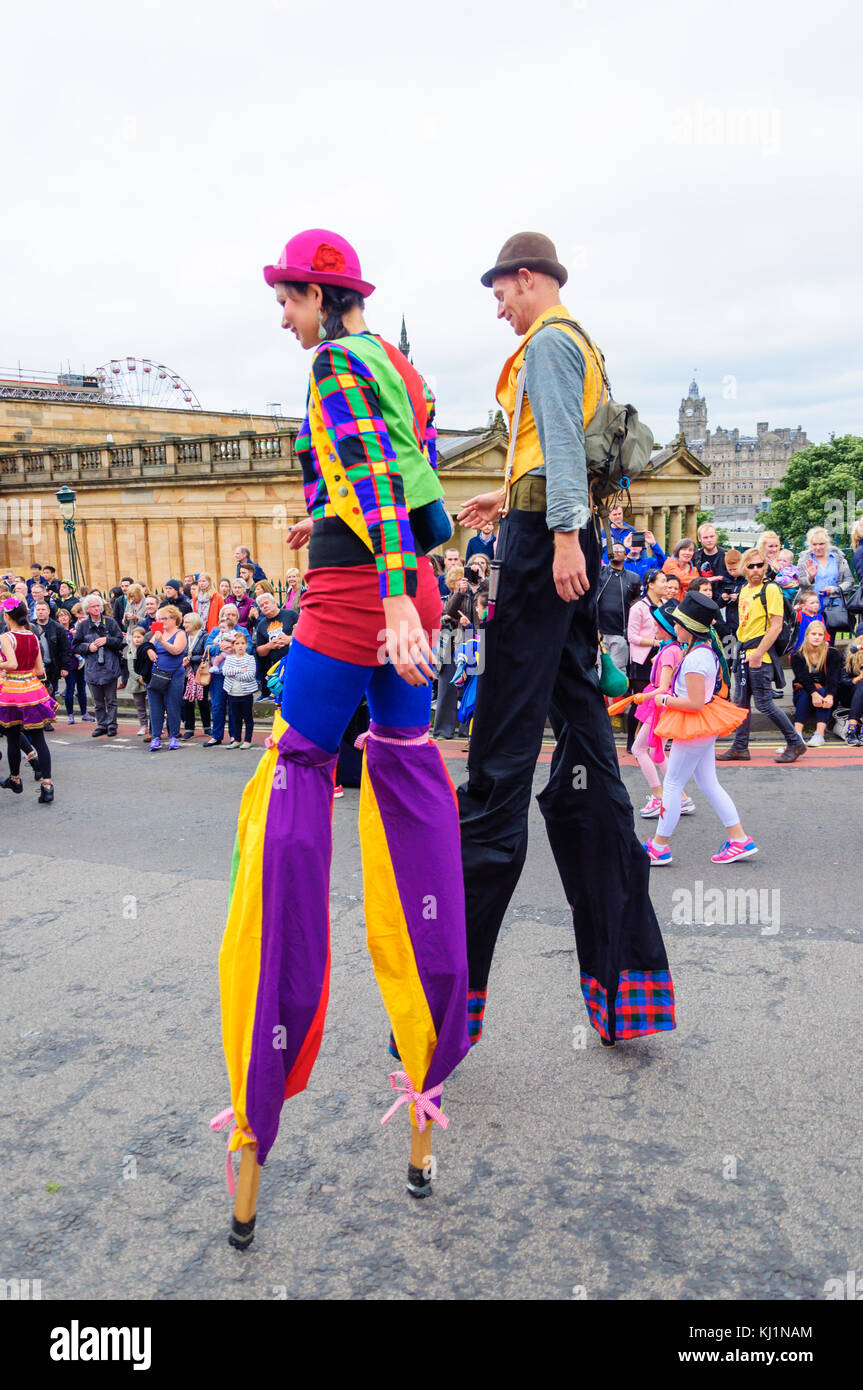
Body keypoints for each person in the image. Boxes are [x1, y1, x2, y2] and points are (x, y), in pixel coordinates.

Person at [213, 227, 470, 1244]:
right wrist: (330, 524)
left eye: (285, 299)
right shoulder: (401, 366)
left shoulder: (329, 364)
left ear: (320, 296)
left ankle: (253, 1113)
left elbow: (374, 485)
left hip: (362, 597)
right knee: (410, 799)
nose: (283, 317)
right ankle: (421, 1091)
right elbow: (402, 478)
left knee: (288, 801)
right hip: (403, 590)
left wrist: (391, 591)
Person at [455, 230, 675, 1050]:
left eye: (501, 293)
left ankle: (449, 1006)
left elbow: (560, 452)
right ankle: (626, 991)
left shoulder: (548, 344)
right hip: (550, 532)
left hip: (544, 547)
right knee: (586, 752)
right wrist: (503, 496)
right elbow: (569, 453)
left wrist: (551, 538)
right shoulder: (584, 346)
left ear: (527, 278)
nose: (499, 308)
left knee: (499, 761)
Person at [643, 592, 754, 865]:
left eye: (678, 623)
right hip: (704, 722)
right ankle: (739, 839)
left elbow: (693, 703)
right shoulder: (699, 652)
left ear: (689, 627)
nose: (675, 627)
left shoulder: (694, 659)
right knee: (707, 782)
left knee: (672, 784)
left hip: (694, 722)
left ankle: (659, 846)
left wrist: (664, 699)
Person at [718, 548, 808, 763]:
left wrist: (758, 654)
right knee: (741, 704)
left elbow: (776, 626)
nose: (756, 569)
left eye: (760, 565)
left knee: (764, 703)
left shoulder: (771, 590)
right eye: (751, 566)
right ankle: (740, 747)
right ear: (743, 568)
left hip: (760, 655)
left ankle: (795, 743)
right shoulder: (745, 591)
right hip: (744, 652)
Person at [0, 597, 57, 803]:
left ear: (7, 616)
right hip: (33, 689)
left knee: (13, 737)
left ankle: (15, 780)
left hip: (12, 691)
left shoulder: (7, 637)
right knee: (39, 739)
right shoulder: (32, 636)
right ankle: (47, 785)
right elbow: (40, 670)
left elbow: (12, 663)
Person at [626, 568, 668, 753]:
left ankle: (652, 739)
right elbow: (632, 637)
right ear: (650, 584)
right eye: (662, 581)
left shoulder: (667, 604)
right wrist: (656, 642)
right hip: (642, 659)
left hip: (661, 657)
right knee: (639, 700)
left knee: (657, 700)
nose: (666, 585)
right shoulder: (638, 607)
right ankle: (630, 741)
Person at [73, 593, 125, 737]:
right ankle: (101, 725)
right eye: (93, 607)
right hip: (92, 668)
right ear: (87, 609)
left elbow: (120, 641)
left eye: (99, 606)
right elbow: (76, 646)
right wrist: (88, 647)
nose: (97, 609)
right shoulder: (83, 625)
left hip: (110, 667)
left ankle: (112, 725)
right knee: (98, 701)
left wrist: (107, 641)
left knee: (111, 700)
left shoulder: (110, 622)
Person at [202, 606, 253, 747]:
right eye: (227, 614)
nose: (230, 616)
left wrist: (233, 647)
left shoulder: (241, 631)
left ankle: (234, 736)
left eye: (233, 614)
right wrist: (220, 648)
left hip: (235, 673)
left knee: (233, 706)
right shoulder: (216, 630)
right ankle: (216, 735)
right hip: (218, 673)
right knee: (218, 705)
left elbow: (249, 648)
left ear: (237, 617)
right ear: (222, 616)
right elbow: (207, 647)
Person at [790, 620, 842, 747]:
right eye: (814, 634)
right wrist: (814, 693)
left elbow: (833, 678)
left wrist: (830, 695)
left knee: (823, 691)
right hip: (804, 693)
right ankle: (797, 734)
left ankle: (819, 734)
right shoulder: (797, 655)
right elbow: (803, 679)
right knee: (805, 693)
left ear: (824, 637)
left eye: (820, 634)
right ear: (807, 635)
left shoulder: (832, 654)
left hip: (826, 696)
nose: (817, 637)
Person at [145, 603, 188, 751]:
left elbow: (176, 650)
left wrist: (162, 640)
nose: (161, 621)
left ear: (174, 619)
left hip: (174, 675)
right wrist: (149, 651)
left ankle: (173, 737)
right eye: (159, 618)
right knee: (155, 707)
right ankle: (155, 737)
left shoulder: (180, 633)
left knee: (172, 706)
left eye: (164, 618)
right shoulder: (157, 631)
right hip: (156, 675)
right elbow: (147, 646)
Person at [795, 526, 854, 632]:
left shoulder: (838, 559)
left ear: (827, 543)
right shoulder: (805, 559)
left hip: (834, 608)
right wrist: (811, 577)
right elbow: (800, 583)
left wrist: (833, 589)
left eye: (821, 544)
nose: (818, 547)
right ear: (810, 545)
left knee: (829, 643)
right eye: (814, 544)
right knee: (811, 641)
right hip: (811, 609)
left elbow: (849, 582)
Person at [597, 542, 640, 673]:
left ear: (626, 556)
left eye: (620, 549)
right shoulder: (599, 573)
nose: (616, 551)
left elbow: (636, 603)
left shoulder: (634, 578)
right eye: (613, 549)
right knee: (599, 670)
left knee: (618, 672)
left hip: (620, 633)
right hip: (599, 633)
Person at [218, 629, 258, 748]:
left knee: (247, 717)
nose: (240, 646)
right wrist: (240, 670)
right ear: (233, 646)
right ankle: (236, 739)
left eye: (242, 643)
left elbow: (250, 675)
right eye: (237, 643)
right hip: (232, 693)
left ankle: (247, 740)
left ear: (246, 645)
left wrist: (234, 675)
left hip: (246, 694)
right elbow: (225, 671)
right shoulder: (229, 658)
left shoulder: (250, 659)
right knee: (235, 717)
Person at [253, 591, 296, 690]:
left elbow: (306, 634)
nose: (264, 606)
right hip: (276, 668)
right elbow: (259, 651)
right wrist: (269, 646)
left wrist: (289, 639)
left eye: (266, 603)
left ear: (274, 603)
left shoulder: (291, 615)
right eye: (261, 605)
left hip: (294, 662)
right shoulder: (261, 625)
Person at [32, 599, 73, 697]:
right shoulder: (30, 627)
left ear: (49, 611)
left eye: (43, 609)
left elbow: (65, 649)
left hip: (52, 668)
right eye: (38, 610)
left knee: (51, 696)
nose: (40, 612)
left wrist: (65, 667)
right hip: (34, 668)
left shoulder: (58, 628)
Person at [180, 612, 212, 740]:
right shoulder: (183, 636)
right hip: (185, 673)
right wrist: (183, 659)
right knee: (187, 700)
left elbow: (206, 654)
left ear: (193, 623)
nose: (184, 625)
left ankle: (207, 727)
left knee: (202, 700)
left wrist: (191, 658)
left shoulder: (204, 636)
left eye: (186, 622)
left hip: (199, 672)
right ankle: (189, 729)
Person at [56, 605, 90, 723]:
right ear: (58, 619)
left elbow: (82, 643)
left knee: (82, 688)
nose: (63, 617)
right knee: (70, 689)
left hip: (80, 664)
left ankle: (84, 713)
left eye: (65, 615)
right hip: (68, 664)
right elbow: (62, 649)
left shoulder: (75, 629)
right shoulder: (59, 631)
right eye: (61, 615)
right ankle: (70, 714)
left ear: (70, 618)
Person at [127, 625, 152, 736]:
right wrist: (139, 678)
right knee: (139, 705)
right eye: (134, 637)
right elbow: (131, 667)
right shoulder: (131, 650)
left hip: (149, 680)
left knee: (152, 705)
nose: (136, 639)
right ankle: (143, 725)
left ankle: (154, 726)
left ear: (144, 637)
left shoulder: (148, 649)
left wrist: (146, 678)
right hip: (136, 682)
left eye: (139, 637)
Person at [838, 643, 863, 745]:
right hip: (849, 695)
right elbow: (842, 681)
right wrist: (858, 678)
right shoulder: (849, 652)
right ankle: (851, 730)